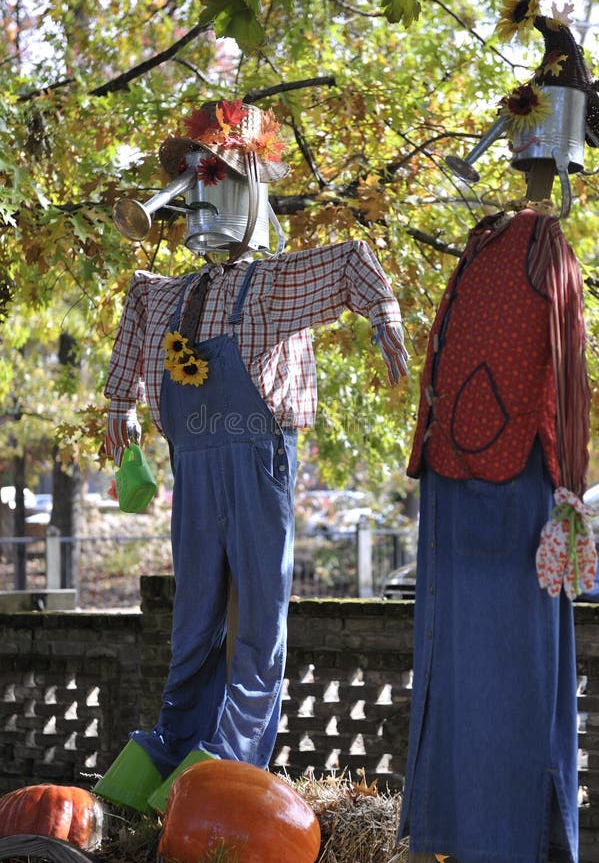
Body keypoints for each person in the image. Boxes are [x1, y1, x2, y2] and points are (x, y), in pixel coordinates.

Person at [94, 98, 409, 813]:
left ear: (249, 191)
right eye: (193, 181)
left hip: (256, 463)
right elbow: (134, 312)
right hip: (196, 469)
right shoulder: (167, 297)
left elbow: (352, 260)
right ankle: (170, 748)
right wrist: (119, 406)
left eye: (214, 177)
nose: (200, 196)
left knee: (259, 618)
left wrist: (384, 315)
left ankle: (230, 759)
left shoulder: (269, 286)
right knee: (193, 616)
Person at [398, 0, 598, 863]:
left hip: (508, 490)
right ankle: (472, 834)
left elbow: (566, 378)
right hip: (472, 490)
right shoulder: (501, 246)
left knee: (508, 671)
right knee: (470, 667)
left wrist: (567, 492)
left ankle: (508, 837)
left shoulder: (533, 253)